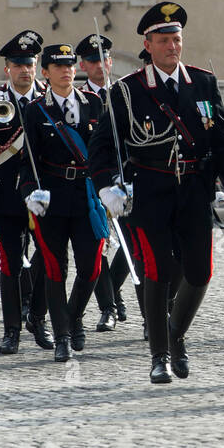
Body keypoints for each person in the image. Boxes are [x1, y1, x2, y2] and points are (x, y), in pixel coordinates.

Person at [89, 2, 224, 384]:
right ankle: (159, 355)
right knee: (157, 272)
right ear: (147, 44)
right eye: (163, 40)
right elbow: (102, 148)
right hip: (150, 190)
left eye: (176, 39)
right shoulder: (128, 92)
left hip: (195, 190)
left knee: (200, 273)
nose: (172, 47)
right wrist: (105, 187)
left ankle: (175, 336)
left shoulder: (203, 83)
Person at [21, 42, 107, 362]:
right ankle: (62, 337)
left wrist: (112, 185)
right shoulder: (34, 110)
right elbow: (27, 160)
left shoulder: (94, 103)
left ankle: (74, 316)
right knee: (55, 269)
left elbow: (105, 152)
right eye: (58, 66)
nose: (66, 71)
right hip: (51, 198)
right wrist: (31, 192)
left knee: (91, 266)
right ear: (45, 73)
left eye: (70, 65)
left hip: (86, 197)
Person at [0, 30, 51, 353]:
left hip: (43, 195)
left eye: (30, 64)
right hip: (6, 194)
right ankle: (11, 331)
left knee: (49, 258)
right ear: (7, 68)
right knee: (10, 263)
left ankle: (38, 316)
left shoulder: (50, 98)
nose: (25, 70)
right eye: (18, 64)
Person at [76, 33, 134, 333]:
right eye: (93, 60)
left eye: (104, 59)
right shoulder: (80, 99)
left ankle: (116, 288)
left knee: (132, 243)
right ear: (83, 64)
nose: (100, 65)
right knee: (98, 245)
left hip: (125, 177)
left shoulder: (126, 93)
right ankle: (108, 308)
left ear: (111, 62)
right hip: (91, 180)